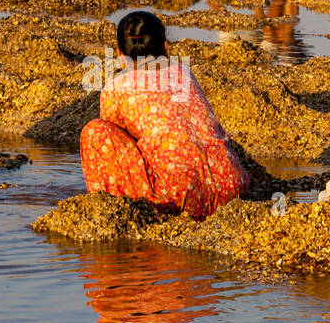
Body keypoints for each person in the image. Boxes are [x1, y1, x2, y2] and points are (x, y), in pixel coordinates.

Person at [80, 11, 250, 219]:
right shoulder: (183, 72)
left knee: (95, 132)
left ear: (119, 54)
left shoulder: (116, 88)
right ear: (166, 47)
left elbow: (116, 149)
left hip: (177, 195)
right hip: (231, 186)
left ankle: (109, 212)